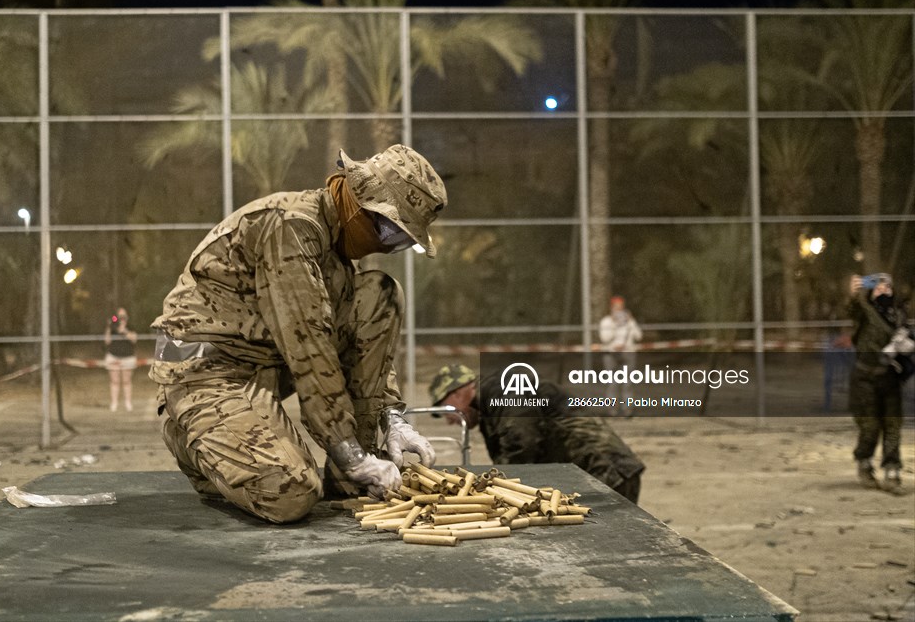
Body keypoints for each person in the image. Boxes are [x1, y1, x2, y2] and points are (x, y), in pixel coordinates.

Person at [150, 145, 446, 523]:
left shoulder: (335, 253)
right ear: (363, 205)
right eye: (393, 233)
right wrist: (349, 454)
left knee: (380, 294)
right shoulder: (291, 227)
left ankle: (353, 470)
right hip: (208, 374)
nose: (390, 247)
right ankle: (193, 439)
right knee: (289, 492)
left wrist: (391, 417)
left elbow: (353, 336)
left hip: (265, 363)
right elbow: (310, 348)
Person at [428, 364, 646, 503]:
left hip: (604, 472)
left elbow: (522, 442)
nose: (448, 420)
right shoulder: (489, 403)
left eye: (444, 410)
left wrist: (496, 489)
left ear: (457, 393)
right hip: (595, 473)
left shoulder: (501, 389)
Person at [848, 273, 907, 495]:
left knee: (892, 425)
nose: (883, 290)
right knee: (870, 426)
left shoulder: (899, 315)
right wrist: (853, 294)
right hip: (865, 378)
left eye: (887, 287)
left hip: (890, 377)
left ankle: (892, 471)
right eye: (878, 287)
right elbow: (853, 309)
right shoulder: (865, 311)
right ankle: (864, 463)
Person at [599, 296, 643, 415]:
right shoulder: (606, 322)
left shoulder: (629, 322)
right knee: (612, 383)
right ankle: (612, 410)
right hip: (611, 355)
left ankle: (627, 409)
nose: (619, 310)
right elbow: (605, 338)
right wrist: (614, 324)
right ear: (611, 308)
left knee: (628, 383)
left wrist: (631, 322)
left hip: (628, 353)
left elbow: (639, 336)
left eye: (621, 307)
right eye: (616, 307)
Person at [104, 307, 137, 412]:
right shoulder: (113, 327)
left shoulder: (131, 326)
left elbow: (134, 339)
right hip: (113, 356)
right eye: (120, 316)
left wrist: (125, 331)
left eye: (124, 316)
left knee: (127, 381)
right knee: (115, 381)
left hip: (128, 357)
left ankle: (128, 402)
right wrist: (109, 327)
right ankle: (114, 403)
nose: (122, 318)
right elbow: (107, 341)